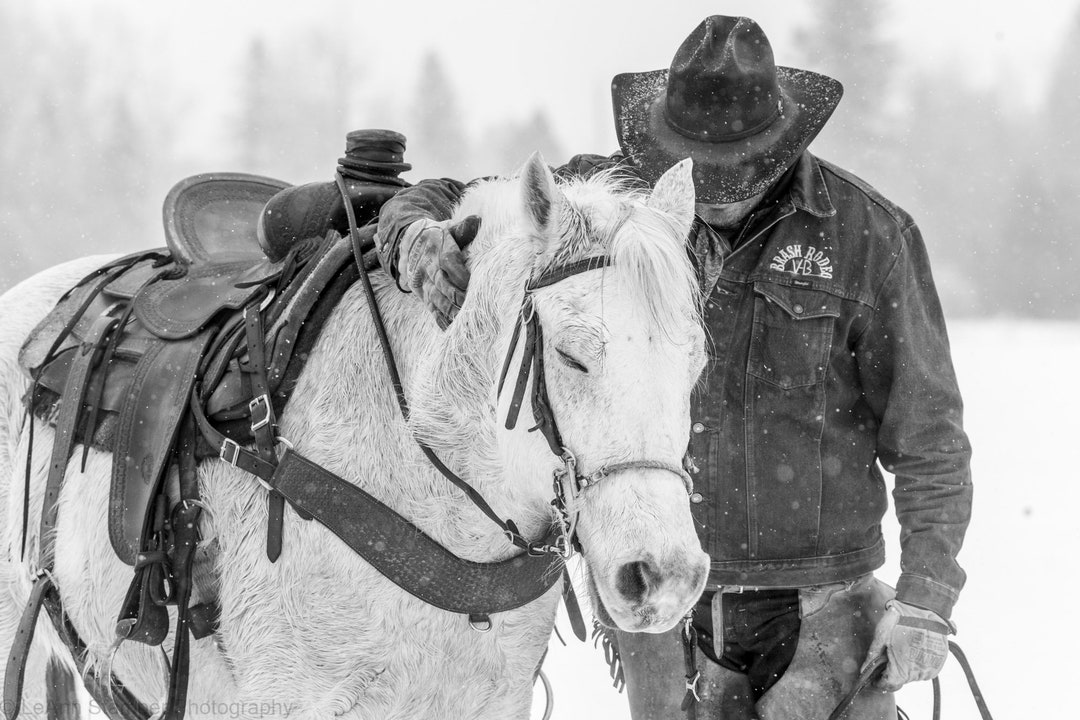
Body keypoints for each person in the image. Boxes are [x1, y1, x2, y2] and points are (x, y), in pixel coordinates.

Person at [374, 16, 972, 720]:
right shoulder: (615, 201)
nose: (715, 190)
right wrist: (411, 235)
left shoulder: (869, 237)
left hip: (825, 598)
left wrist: (926, 599)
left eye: (738, 169)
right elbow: (450, 196)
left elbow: (930, 439)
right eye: (699, 163)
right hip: (654, 586)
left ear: (782, 145)